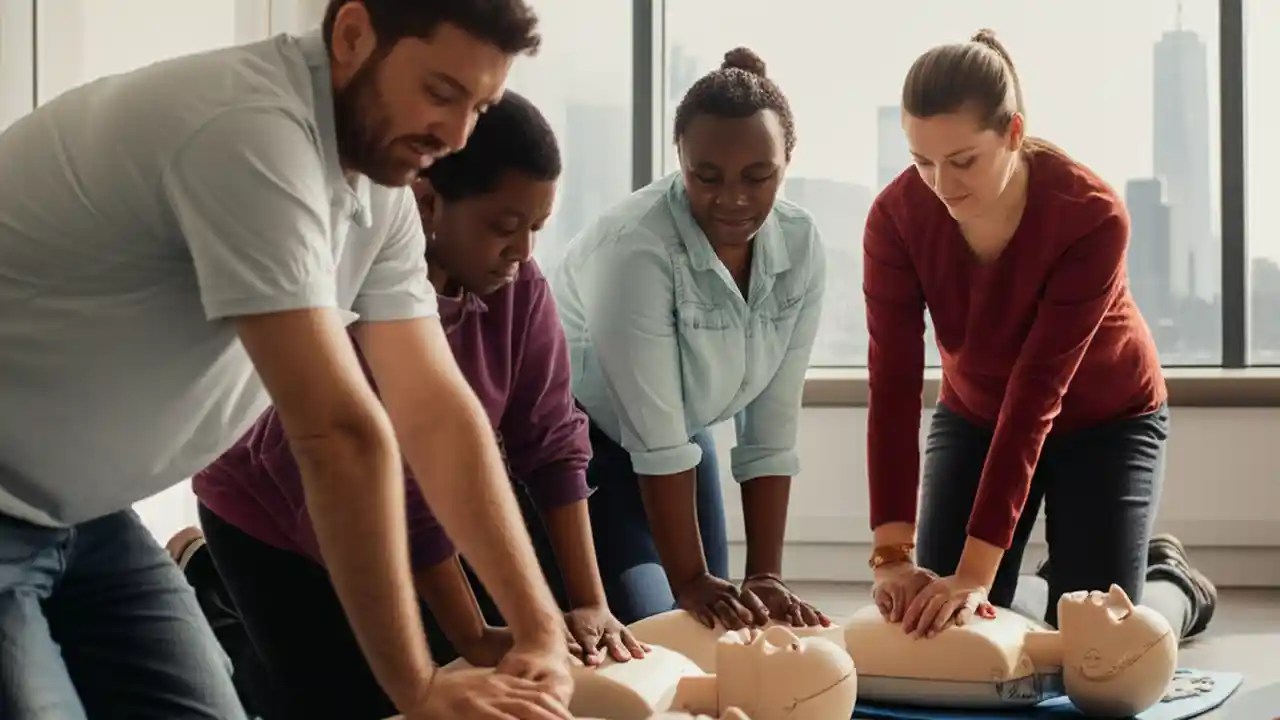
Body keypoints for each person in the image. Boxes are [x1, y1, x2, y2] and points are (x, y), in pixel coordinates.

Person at [0, 1, 576, 718]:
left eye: (480, 107)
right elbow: (337, 434)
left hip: (86, 513)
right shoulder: (246, 131)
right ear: (353, 34)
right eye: (441, 92)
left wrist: (540, 628)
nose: (456, 135)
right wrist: (418, 688)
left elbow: (436, 410)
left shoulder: (384, 189)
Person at [189, 89, 645, 719]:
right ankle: (211, 590)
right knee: (352, 700)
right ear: (429, 204)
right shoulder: (360, 298)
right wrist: (474, 636)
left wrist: (588, 599)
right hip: (276, 512)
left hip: (417, 505)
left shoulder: (519, 285)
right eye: (504, 228)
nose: (523, 253)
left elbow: (551, 440)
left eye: (536, 229)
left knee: (458, 673)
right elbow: (397, 491)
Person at [863, 29, 1216, 643]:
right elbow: (892, 385)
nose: (941, 185)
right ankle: (1037, 588)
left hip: (1105, 420)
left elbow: (1036, 395)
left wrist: (974, 575)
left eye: (963, 160)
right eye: (922, 161)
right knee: (944, 629)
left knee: (1098, 642)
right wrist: (893, 556)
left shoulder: (1092, 215)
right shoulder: (895, 219)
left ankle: (1173, 581)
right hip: (974, 414)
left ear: (1014, 134)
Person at [549, 47, 830, 630]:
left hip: (683, 443)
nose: (733, 198)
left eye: (759, 176)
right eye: (707, 176)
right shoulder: (636, 247)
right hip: (584, 449)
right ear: (679, 157)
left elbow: (770, 429)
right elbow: (652, 435)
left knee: (733, 628)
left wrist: (766, 576)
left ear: (788, 160)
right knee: (658, 629)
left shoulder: (800, 244)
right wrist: (690, 579)